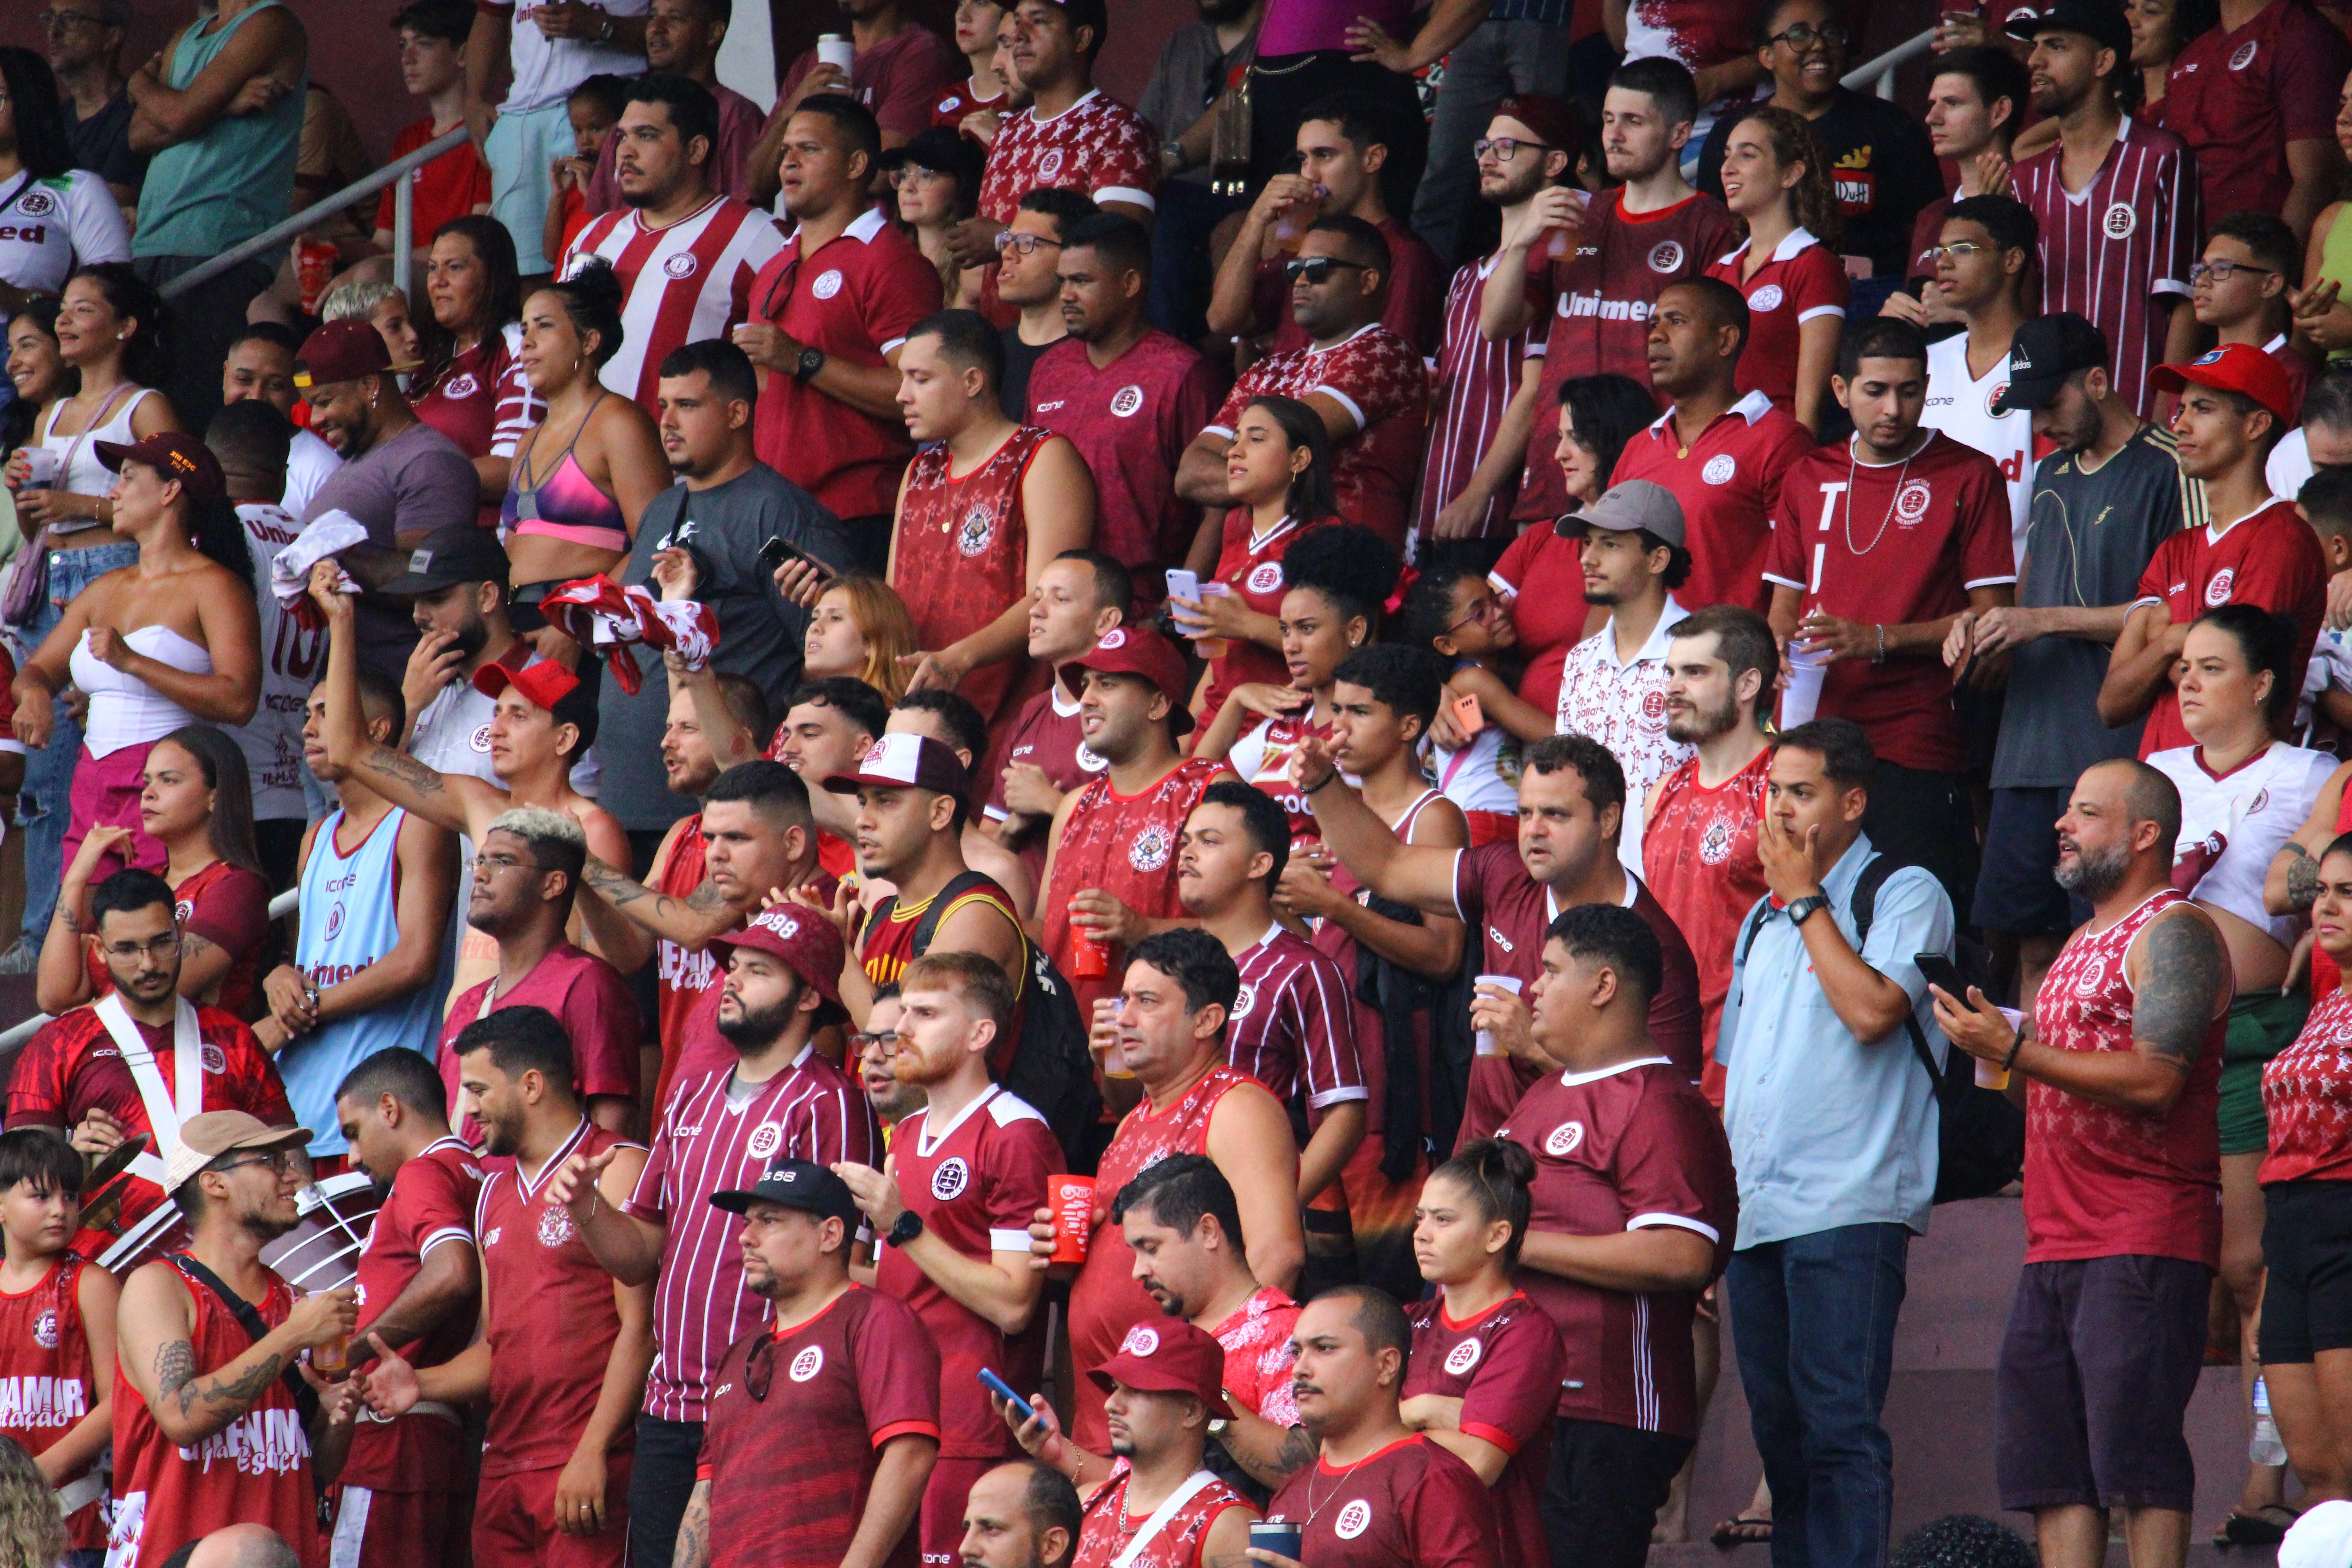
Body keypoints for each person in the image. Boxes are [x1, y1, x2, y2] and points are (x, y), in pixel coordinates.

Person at [1931, 759, 2230, 1568]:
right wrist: (1997, 1054)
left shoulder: (2177, 932)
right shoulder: (2073, 946)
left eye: (2086, 812)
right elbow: (2045, 1100)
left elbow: (2158, 1079)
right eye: (2065, 809)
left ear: (2143, 835)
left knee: (2137, 1460)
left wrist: (2020, 1045)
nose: (2061, 823)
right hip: (2054, 1238)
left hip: (2142, 1231)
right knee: (2052, 1470)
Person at [541, 902, 877, 1568]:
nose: (732, 980)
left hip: (771, 1403)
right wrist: (587, 1209)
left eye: (759, 970)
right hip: (669, 1403)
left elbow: (850, 1267)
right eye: (733, 966)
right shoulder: (690, 1095)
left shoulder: (829, 1100)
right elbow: (641, 1256)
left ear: (810, 995)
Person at [1713, 719, 1955, 1568]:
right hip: (1757, 1210)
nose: (1779, 809)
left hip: (1851, 1206)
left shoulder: (1905, 890)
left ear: (1853, 802)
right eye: (1773, 790)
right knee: (1780, 1440)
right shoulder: (1760, 919)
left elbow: (1870, 1012)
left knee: (1839, 1428)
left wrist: (1808, 899)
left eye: (1802, 792)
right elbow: (1736, 1074)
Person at [2143, 607, 2331, 1540]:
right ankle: (2141, 1484)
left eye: (2210, 667)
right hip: (2148, 1043)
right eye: (2180, 666)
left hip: (2256, 1035)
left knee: (2250, 1265)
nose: (2185, 682)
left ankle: (2266, 1485)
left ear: (2263, 684)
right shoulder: (2155, 779)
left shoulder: (2310, 776)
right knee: (2165, 1270)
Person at [1956, 313, 2189, 1008]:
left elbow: (2176, 611)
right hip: (2027, 743)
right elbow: (2033, 597)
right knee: (2026, 944)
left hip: (2110, 742)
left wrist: (2040, 620)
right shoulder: (2052, 471)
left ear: (2098, 381)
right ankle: (2034, 1116)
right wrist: (1983, 632)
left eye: (2052, 405)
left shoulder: (2168, 465)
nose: (2043, 426)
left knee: (2106, 944)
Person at [364, 1006, 652, 1567]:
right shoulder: (492, 1194)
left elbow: (641, 1331)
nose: (466, 1110)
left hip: (585, 1463)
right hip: (503, 1469)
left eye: (477, 1089)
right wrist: (418, 1383)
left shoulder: (616, 1164)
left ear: (532, 1085)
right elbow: (498, 1349)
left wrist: (593, 1450)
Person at [1487, 905, 1731, 1568]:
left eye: (1551, 971)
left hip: (1605, 1411)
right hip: (1517, 1403)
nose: (1532, 988)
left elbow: (1682, 1253)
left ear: (1602, 987)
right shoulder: (1541, 1094)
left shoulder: (1659, 1102)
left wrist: (1514, 1244)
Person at [1297, 730, 1705, 1107]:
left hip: (1573, 1174)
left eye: (1556, 815)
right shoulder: (1503, 874)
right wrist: (1322, 782)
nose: (1533, 830)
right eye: (1526, 813)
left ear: (1610, 820)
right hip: (1482, 1159)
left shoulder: (1656, 950)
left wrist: (1533, 1046)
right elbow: (1386, 866)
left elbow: (1662, 1108)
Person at [1763, 316, 2018, 909]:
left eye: (1909, 391)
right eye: (1875, 391)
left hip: (1915, 734)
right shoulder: (1809, 474)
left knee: (1907, 907)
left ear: (1928, 389)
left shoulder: (1969, 473)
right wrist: (1774, 648)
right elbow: (1783, 605)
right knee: (1806, 903)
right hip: (1813, 735)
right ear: (1841, 391)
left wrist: (1878, 638)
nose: (1894, 409)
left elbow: (1993, 619)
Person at [832, 951, 1057, 1567]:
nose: (901, 1029)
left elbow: (1014, 1303)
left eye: (926, 1014)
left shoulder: (1014, 1134)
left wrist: (902, 1225)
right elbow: (905, 1281)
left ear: (981, 1034)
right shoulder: (904, 1135)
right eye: (904, 1012)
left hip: (970, 1428)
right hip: (893, 1416)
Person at [1046, 930, 1303, 1454]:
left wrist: (1199, 1384)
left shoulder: (1237, 1107)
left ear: (1207, 1021)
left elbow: (1276, 1256)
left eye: (1147, 1002)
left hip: (1177, 1419)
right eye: (1123, 1001)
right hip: (1113, 1418)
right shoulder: (1130, 1123)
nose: (1123, 1018)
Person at [1279, 646, 1472, 1294]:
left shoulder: (1434, 816)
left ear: (1411, 726)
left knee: (1383, 1301)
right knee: (1322, 1297)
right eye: (1336, 712)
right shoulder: (1332, 816)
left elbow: (1443, 954)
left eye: (1360, 713)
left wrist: (1335, 906)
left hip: (1392, 1102)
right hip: (1326, 1094)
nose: (1339, 730)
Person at [598, 340, 846, 842]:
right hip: (628, 793)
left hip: (724, 806)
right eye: (663, 405)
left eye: (687, 406)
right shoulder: (662, 507)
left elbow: (832, 659)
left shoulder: (780, 511)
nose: (667, 421)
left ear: (737, 413)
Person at [1, 268, 179, 962]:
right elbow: (41, 523)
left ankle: (100, 928)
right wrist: (27, 498)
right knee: (43, 770)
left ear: (125, 327)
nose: (66, 322)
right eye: (64, 311)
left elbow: (176, 498)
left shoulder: (145, 408)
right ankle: (41, 930)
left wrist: (84, 508)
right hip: (56, 579)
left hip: (114, 576)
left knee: (106, 752)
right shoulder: (51, 414)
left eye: (84, 310)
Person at [1489, 59, 1739, 532]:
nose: (1614, 135)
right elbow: (1497, 325)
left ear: (1679, 134)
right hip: (1555, 464)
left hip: (1648, 463)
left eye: (1633, 121)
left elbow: (1719, 356)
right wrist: (1522, 241)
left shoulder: (1709, 225)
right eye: (1607, 120)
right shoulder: (1578, 213)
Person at [13, 430, 259, 897]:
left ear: (170, 490)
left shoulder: (216, 587)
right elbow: (37, 671)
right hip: (92, 782)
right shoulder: (105, 588)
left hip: (167, 786)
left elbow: (239, 699)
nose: (113, 492)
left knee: (151, 930)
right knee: (81, 931)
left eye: (127, 477)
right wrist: (35, 698)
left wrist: (133, 662)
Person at [665, 1156, 942, 1568]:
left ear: (830, 1234)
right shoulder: (738, 1353)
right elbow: (707, 1493)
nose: (747, 1237)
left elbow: (910, 1454)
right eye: (747, 1223)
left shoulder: (877, 1320)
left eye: (770, 1220)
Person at [111, 1112, 359, 1568]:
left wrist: (337, 1412)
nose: (295, 1177)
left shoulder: (295, 1300)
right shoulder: (158, 1286)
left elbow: (318, 1467)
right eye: (271, 1161)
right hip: (173, 1551)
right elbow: (181, 1415)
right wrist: (295, 1334)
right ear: (215, 1183)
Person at [3, 869, 293, 1245]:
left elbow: (290, 1160)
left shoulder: (235, 1038)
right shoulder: (57, 1043)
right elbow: (18, 1183)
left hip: (231, 1258)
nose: (148, 964)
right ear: (99, 951)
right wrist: (70, 1159)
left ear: (181, 936)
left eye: (160, 943)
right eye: (126, 949)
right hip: (105, 1266)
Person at [739, 96, 942, 577]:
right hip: (772, 515)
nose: (789, 161)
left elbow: (920, 394)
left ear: (856, 165)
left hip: (855, 516)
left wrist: (805, 361)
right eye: (787, 149)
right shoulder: (773, 267)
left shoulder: (890, 261)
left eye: (808, 149)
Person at [262, 669, 456, 1161]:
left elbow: (416, 961)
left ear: (377, 729)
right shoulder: (317, 838)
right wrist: (282, 979)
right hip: (299, 1116)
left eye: (325, 712)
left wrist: (309, 1007)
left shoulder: (418, 823)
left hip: (381, 1127)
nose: (308, 727)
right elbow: (309, 964)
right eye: (307, 714)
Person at [2101, 343, 2324, 758]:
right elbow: (2112, 703)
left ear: (2256, 425)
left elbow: (2232, 688)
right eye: (2180, 410)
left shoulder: (2281, 540)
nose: (2180, 425)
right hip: (2164, 789)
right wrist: (2173, 642)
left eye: (2202, 409)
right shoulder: (2174, 549)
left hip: (2237, 789)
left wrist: (2160, 638)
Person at [888, 309, 1096, 727]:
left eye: (921, 379)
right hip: (920, 709)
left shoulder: (1041, 456)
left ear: (972, 382)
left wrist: (961, 657)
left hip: (1014, 707)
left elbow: (1049, 601)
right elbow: (894, 603)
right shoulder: (919, 471)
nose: (902, 395)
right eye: (904, 378)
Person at [1174, 783, 1368, 1206]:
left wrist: (1273, 1206)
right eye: (1186, 841)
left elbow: (1345, 1114)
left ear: (1260, 864)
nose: (1187, 853)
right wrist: (1111, 1061)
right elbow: (1134, 1097)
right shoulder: (1163, 967)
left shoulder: (1306, 971)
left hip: (1249, 1212)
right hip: (1164, 1208)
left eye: (1209, 842)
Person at [1180, 221, 1429, 551]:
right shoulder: (1268, 369)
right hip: (1251, 567)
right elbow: (1189, 474)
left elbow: (1291, 438)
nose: (1299, 281)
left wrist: (1239, 460)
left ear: (1367, 281)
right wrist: (1266, 469)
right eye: (1294, 269)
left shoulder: (1385, 353)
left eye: (1316, 269)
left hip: (1340, 567)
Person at [2008, 0, 2203, 419]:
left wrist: (2166, 408)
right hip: (2053, 418)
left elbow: (2185, 297)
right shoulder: (2025, 179)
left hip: (2136, 409)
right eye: (2035, 47)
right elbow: (2021, 308)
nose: (2036, 61)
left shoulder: (2162, 156)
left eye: (2055, 46)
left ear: (2103, 61)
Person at [329, 1048, 484, 1568]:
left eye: (353, 1131)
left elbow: (454, 1271)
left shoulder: (421, 1174)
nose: (351, 1156)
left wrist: (349, 1354)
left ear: (390, 1109)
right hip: (440, 1436)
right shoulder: (477, 1174)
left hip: (393, 1443)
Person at [122, 0, 307, 433]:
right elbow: (138, 135)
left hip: (220, 240)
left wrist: (138, 83)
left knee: (195, 410)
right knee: (154, 407)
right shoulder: (186, 36)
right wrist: (220, 107)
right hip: (155, 238)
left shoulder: (271, 22)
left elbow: (177, 116)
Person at [1412, 98, 1574, 573]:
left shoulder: (1555, 265)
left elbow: (1535, 391)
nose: (1486, 158)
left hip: (1492, 512)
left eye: (1506, 147)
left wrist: (1477, 494)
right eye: (1485, 146)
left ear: (1555, 163)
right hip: (1438, 505)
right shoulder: (1465, 276)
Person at [1086, 1154, 1314, 1490]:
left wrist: (1212, 1400)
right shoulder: (1166, 1339)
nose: (1138, 1271)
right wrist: (1058, 1451)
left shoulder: (1287, 1331)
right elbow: (1132, 1486)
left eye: (1151, 1248)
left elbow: (1307, 1475)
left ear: (1209, 1232)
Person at [1036, 626, 1230, 1016]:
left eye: (1106, 684)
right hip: (1065, 1047)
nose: (1086, 699)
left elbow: (1247, 924)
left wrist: (1144, 930)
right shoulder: (1074, 804)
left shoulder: (1209, 790)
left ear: (1158, 705)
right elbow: (1043, 927)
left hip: (1165, 1044)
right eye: (1086, 685)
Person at [559, 76, 784, 413]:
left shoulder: (759, 238)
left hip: (691, 463)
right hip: (585, 457)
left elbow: (780, 375)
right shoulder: (594, 237)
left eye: (647, 136)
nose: (626, 151)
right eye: (623, 136)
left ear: (696, 150)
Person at [1397, 1140, 1566, 1568]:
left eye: (1443, 1220)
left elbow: (1477, 1462)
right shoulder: (1403, 1321)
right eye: (1421, 1217)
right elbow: (1335, 1437)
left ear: (1497, 1235)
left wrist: (1409, 1410)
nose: (1422, 1233)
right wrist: (1448, 1416)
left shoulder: (1526, 1331)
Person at [1027, 214, 1221, 588]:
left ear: (1130, 283)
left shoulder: (1183, 373)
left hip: (1144, 605)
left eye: (1082, 281)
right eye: (1062, 281)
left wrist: (1174, 611)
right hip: (1054, 603)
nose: (1066, 295)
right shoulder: (1049, 369)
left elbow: (1215, 509)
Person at [1694, 0, 1942, 291]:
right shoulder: (1733, 135)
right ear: (1766, 56)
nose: (1819, 46)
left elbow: (1927, 226)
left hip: (1871, 303)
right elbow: (1715, 234)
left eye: (1831, 33)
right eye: (1799, 35)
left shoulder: (1888, 126)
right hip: (1760, 301)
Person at [292, 318, 485, 689]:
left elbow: (433, 582)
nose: (316, 419)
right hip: (346, 684)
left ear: (369, 385)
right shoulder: (358, 460)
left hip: (396, 689)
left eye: (325, 401)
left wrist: (332, 558)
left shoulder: (428, 460)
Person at [430, 808, 639, 1142]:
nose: (481, 874)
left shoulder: (588, 983)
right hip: (470, 1192)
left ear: (552, 884)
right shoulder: (467, 1004)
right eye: (480, 861)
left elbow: (612, 1132)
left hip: (546, 1192)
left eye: (502, 861)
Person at [1252, 1285, 1498, 1568]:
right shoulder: (1292, 1489)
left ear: (1386, 1366)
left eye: (1325, 1348)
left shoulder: (1434, 1479)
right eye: (1297, 1352)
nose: (1299, 1369)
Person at [1612, 278, 1814, 616]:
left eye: (1676, 322)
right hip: (1640, 662)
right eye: (1654, 324)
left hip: (1729, 661)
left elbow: (1797, 575)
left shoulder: (1780, 441)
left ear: (1725, 341)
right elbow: (1611, 575)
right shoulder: (1638, 447)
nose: (1656, 336)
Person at [36, 727, 271, 1019]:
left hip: (191, 1060)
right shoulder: (145, 884)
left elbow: (159, 994)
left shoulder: (237, 887)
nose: (148, 793)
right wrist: (75, 879)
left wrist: (69, 1030)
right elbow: (54, 994)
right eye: (146, 781)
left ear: (215, 797)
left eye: (169, 780)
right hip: (109, 1056)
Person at [1642, 604, 1778, 1101]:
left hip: (1750, 1060)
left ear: (1747, 686)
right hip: (1661, 1053)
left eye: (1695, 672)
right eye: (1671, 672)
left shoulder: (1783, 789)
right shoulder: (1661, 793)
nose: (1673, 687)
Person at [2252, 833, 2352, 1506]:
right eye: (2321, 891)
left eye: (2348, 893)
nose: (2327, 906)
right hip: (2288, 1235)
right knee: (2318, 1472)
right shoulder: (2322, 1006)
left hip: (2347, 1228)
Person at [998, 1313, 1259, 1568]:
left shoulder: (1227, 1525)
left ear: (1191, 1411)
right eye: (1115, 1387)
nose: (1111, 1404)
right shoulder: (1087, 1502)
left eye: (1136, 1390)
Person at [1193, 524, 1397, 846]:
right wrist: (1236, 700)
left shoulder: (1390, 721)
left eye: (1307, 629)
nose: (1290, 645)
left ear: (1355, 631)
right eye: (1285, 631)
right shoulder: (1285, 721)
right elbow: (1195, 787)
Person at [1207, 93, 1444, 360]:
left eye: (1324, 156)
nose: (1309, 174)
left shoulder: (1405, 256)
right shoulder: (1303, 246)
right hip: (1280, 398)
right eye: (1304, 159)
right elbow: (1223, 320)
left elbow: (1388, 369)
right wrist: (1256, 221)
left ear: (1373, 159)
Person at [501, 261, 673, 614]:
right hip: (520, 623)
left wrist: (582, 623)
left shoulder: (619, 423)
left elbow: (657, 544)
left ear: (590, 341)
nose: (527, 341)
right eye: (524, 329)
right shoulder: (527, 441)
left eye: (544, 326)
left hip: (588, 627)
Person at [1488, 375, 1661, 720]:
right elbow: (1468, 622)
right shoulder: (1540, 540)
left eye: (1577, 439)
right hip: (1524, 750)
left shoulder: (1656, 548)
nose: (1559, 454)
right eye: (1559, 438)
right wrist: (1458, 682)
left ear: (1616, 439)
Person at [1174, 396, 1338, 735]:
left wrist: (1247, 623)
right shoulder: (1235, 529)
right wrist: (1189, 739)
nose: (1234, 451)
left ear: (1300, 459)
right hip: (1216, 727)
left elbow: (1345, 650)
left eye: (1256, 439)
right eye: (1235, 440)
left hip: (1286, 733)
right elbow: (1220, 660)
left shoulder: (1328, 539)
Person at [1554, 480, 1695, 874]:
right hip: (1588, 893)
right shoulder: (1580, 661)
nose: (1588, 558)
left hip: (1675, 895)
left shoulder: (1702, 655)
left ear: (1657, 559)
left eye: (1610, 544)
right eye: (1588, 542)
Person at [203, 402, 311, 878]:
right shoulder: (315, 542)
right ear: (282, 470)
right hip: (299, 780)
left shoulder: (216, 539)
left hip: (227, 785)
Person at [463, 0, 646, 278]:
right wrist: (474, 99)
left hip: (607, 108)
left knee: (605, 257)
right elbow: (491, 13)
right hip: (526, 114)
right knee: (523, 271)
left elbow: (676, 25)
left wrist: (599, 25)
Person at [0, 1127, 115, 1559]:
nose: (60, 1209)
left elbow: (120, 1401)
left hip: (76, 1518)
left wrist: (35, 1474)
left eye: (70, 1196)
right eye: (42, 1196)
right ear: (1, 1207)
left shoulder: (91, 1283)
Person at [1704, 105, 1847, 435]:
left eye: (1747, 155)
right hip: (1715, 450)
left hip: (1775, 453)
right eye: (1727, 156)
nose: (1727, 168)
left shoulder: (1813, 265)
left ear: (1790, 174)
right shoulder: (1718, 271)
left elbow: (1809, 408)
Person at [965, 0, 1158, 239]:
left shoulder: (1120, 129)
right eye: (1017, 22)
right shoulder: (1008, 131)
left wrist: (1004, 238)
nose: (1019, 35)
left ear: (1081, 39)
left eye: (1038, 21)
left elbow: (1116, 246)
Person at [2160, 0, 2351, 241]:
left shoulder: (2302, 36)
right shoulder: (2193, 53)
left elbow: (2316, 180)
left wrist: (2273, 270)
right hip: (2183, 259)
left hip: (2249, 263)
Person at [982, 550, 1125, 869]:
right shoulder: (1030, 714)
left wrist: (1051, 804)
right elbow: (989, 845)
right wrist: (1013, 828)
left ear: (1106, 622)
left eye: (1060, 600)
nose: (1036, 611)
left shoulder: (1129, 712)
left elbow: (1147, 838)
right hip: (1024, 914)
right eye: (1037, 598)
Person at [1918, 197, 2041, 558]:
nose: (1943, 262)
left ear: (2012, 260)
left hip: (2017, 584)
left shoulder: (2048, 362)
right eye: (1940, 250)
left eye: (1963, 249)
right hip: (1931, 587)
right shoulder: (1926, 363)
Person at [575, 0, 763, 212]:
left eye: (675, 18)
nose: (656, 28)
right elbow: (603, 222)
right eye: (653, 17)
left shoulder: (737, 115)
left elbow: (745, 219)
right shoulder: (628, 121)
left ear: (713, 33)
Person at [409, 217, 535, 528]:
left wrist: (411, 483)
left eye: (454, 267)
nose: (438, 281)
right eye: (432, 268)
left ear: (492, 277)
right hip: (426, 530)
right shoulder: (433, 358)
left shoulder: (518, 347)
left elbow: (516, 468)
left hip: (487, 540)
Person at [756, 0, 963, 178]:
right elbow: (758, 184)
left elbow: (880, 172)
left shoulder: (920, 55)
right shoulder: (809, 64)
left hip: (880, 224)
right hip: (812, 226)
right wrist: (792, 109)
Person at [1891, 48, 2031, 307]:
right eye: (1933, 104)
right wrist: (1898, 316)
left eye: (1952, 103)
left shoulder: (2037, 202)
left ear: (1999, 112)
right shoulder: (1931, 217)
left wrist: (1958, 314)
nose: (1932, 118)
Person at [0, 47, 129, 304]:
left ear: (28, 102)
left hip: (26, 338)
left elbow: (118, 297)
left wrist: (16, 297)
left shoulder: (77, 189)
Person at [375, 2, 494, 265]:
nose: (408, 58)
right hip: (401, 270)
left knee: (369, 275)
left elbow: (475, 243)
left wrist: (386, 264)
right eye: (403, 45)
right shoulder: (408, 140)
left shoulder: (488, 133)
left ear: (463, 53)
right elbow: (382, 242)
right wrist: (337, 248)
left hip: (454, 271)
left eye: (424, 44)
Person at [2193, 213, 2314, 424]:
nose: (2202, 281)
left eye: (2221, 269)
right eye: (2201, 270)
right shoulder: (2189, 370)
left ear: (2270, 285)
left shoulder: (2291, 375)